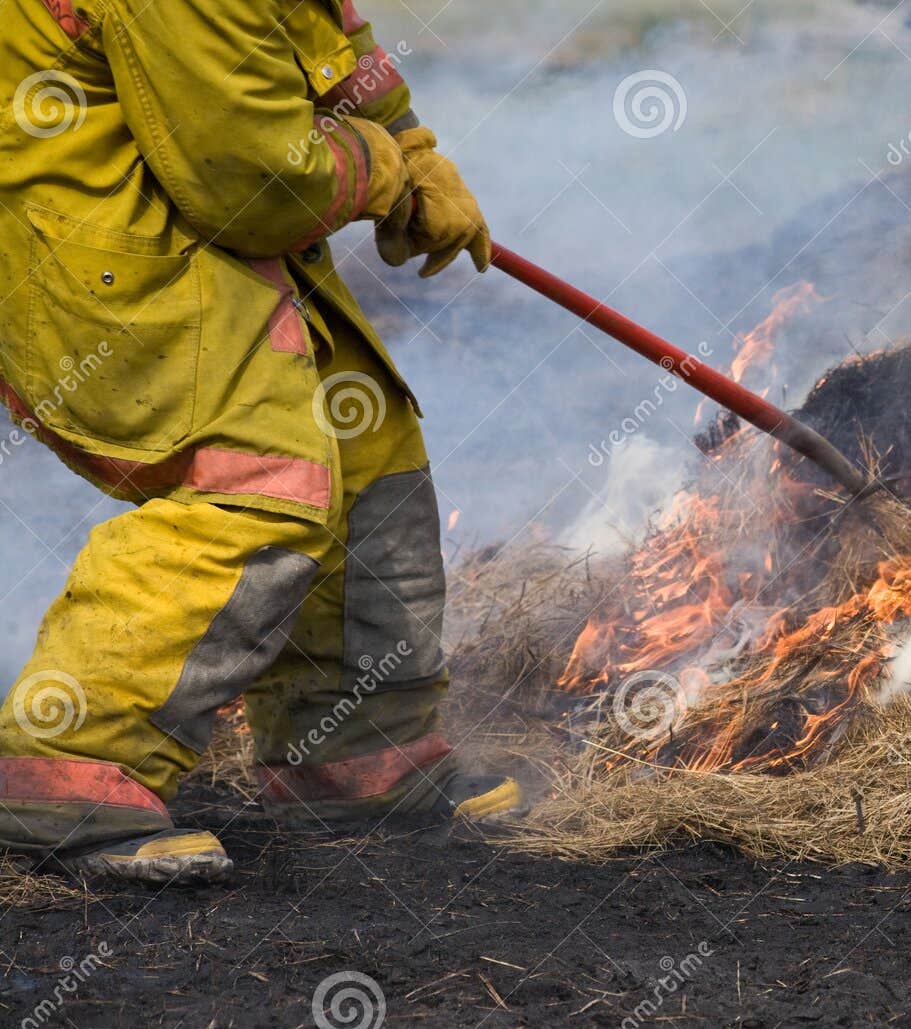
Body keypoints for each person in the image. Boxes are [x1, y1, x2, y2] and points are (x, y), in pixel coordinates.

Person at [0, 0, 524, 885]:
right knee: (259, 476)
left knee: (366, 439)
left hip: (187, 208)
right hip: (88, 242)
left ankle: (353, 745)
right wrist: (387, 171)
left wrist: (412, 143)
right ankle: (66, 761)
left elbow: (322, 29)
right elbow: (252, 178)